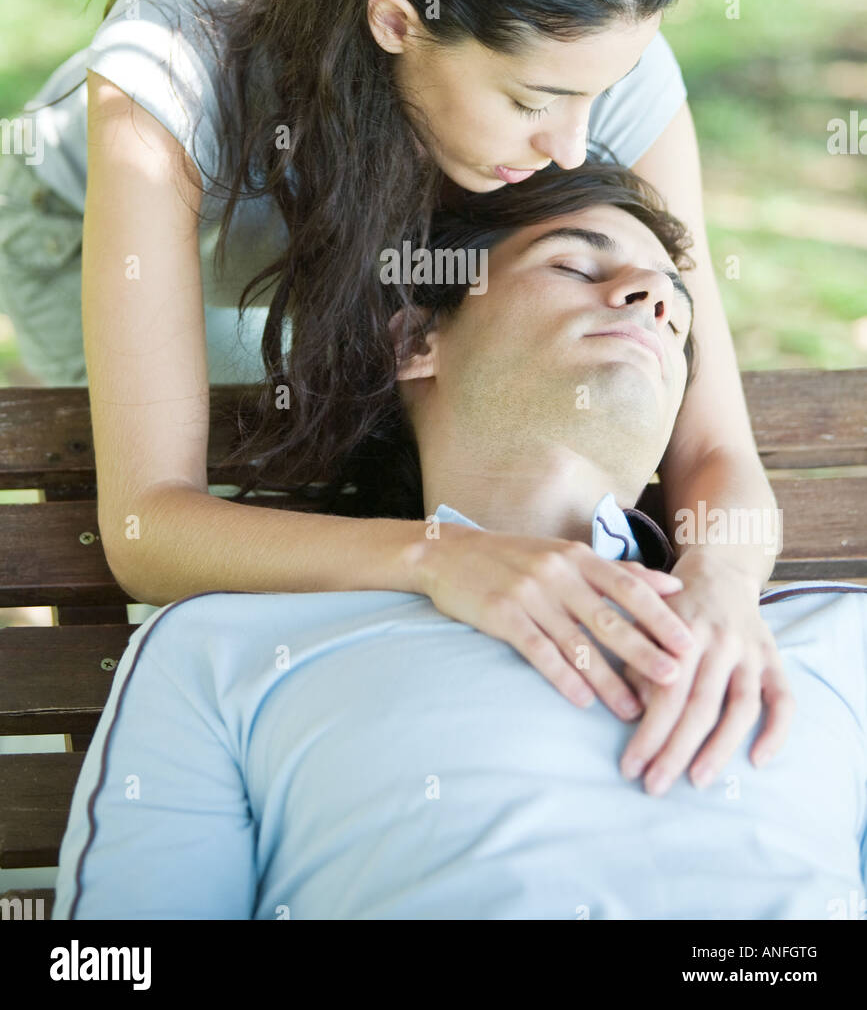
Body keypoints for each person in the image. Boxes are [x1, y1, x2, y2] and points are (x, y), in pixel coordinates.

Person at [1, 0, 785, 794]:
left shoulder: (586, 65)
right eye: (533, 99)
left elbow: (716, 443)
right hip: (143, 235)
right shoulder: (173, 72)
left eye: (601, 93)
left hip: (399, 207)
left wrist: (722, 579)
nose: (573, 147)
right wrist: (433, 556)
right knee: (259, 529)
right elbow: (151, 524)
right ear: (396, 24)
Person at [51, 164, 865, 921]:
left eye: (674, 310)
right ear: (413, 342)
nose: (653, 296)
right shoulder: (222, 647)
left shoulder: (838, 642)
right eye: (575, 268)